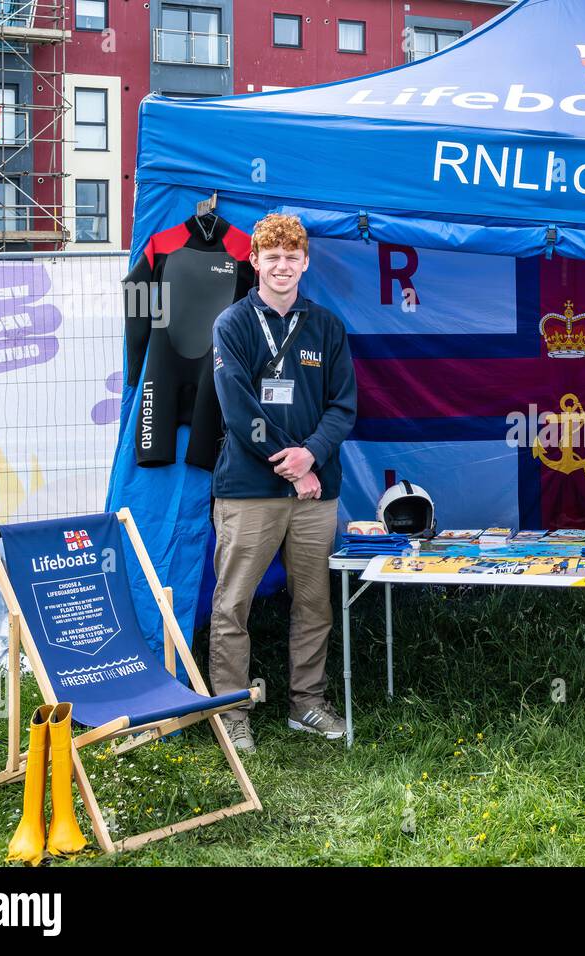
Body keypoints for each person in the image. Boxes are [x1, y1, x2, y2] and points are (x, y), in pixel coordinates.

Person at [208, 213, 357, 752]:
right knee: (233, 605)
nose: (282, 266)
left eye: (292, 257)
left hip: (316, 491)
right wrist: (286, 460)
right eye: (272, 257)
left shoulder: (327, 326)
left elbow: (344, 408)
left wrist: (311, 456)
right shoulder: (232, 324)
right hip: (250, 490)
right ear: (254, 262)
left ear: (306, 262)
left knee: (314, 602)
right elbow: (237, 405)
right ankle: (230, 709)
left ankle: (307, 704)